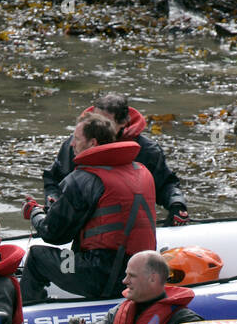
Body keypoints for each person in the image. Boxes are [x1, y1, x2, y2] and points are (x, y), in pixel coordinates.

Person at [21, 113, 157, 306]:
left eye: (76, 139)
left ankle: (28, 314)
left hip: (103, 276)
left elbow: (54, 234)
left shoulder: (83, 179)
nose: (71, 145)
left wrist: (35, 213)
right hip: (142, 271)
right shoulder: (141, 170)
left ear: (92, 143)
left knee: (36, 257)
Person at [44, 92, 189, 225]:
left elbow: (165, 184)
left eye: (105, 122)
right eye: (95, 119)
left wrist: (177, 204)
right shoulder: (76, 144)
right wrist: (53, 203)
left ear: (123, 122)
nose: (97, 125)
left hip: (123, 222)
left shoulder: (147, 151)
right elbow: (54, 180)